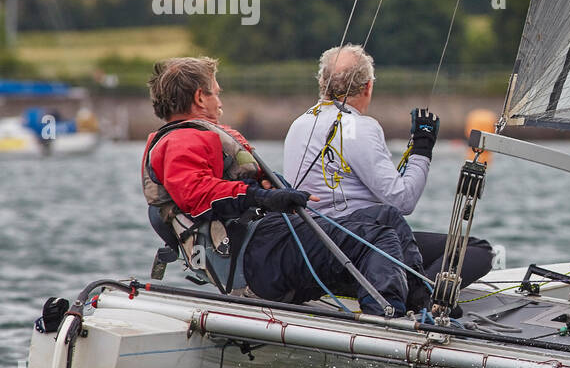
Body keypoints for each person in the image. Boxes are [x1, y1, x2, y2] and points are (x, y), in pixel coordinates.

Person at [141, 57, 423, 317]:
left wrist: (265, 184)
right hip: (255, 257)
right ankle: (387, 325)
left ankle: (423, 306)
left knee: (386, 216)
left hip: (269, 243)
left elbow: (226, 184)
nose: (221, 97)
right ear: (200, 97)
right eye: (216, 91)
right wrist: (263, 196)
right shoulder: (180, 140)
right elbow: (197, 195)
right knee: (376, 238)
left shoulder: (199, 135)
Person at [283, 44, 495, 290]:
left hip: (311, 246)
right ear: (367, 87)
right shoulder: (362, 127)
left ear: (322, 83)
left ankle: (409, 285)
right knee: (478, 251)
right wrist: (422, 148)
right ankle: (419, 294)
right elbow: (402, 201)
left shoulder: (299, 124)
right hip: (360, 248)